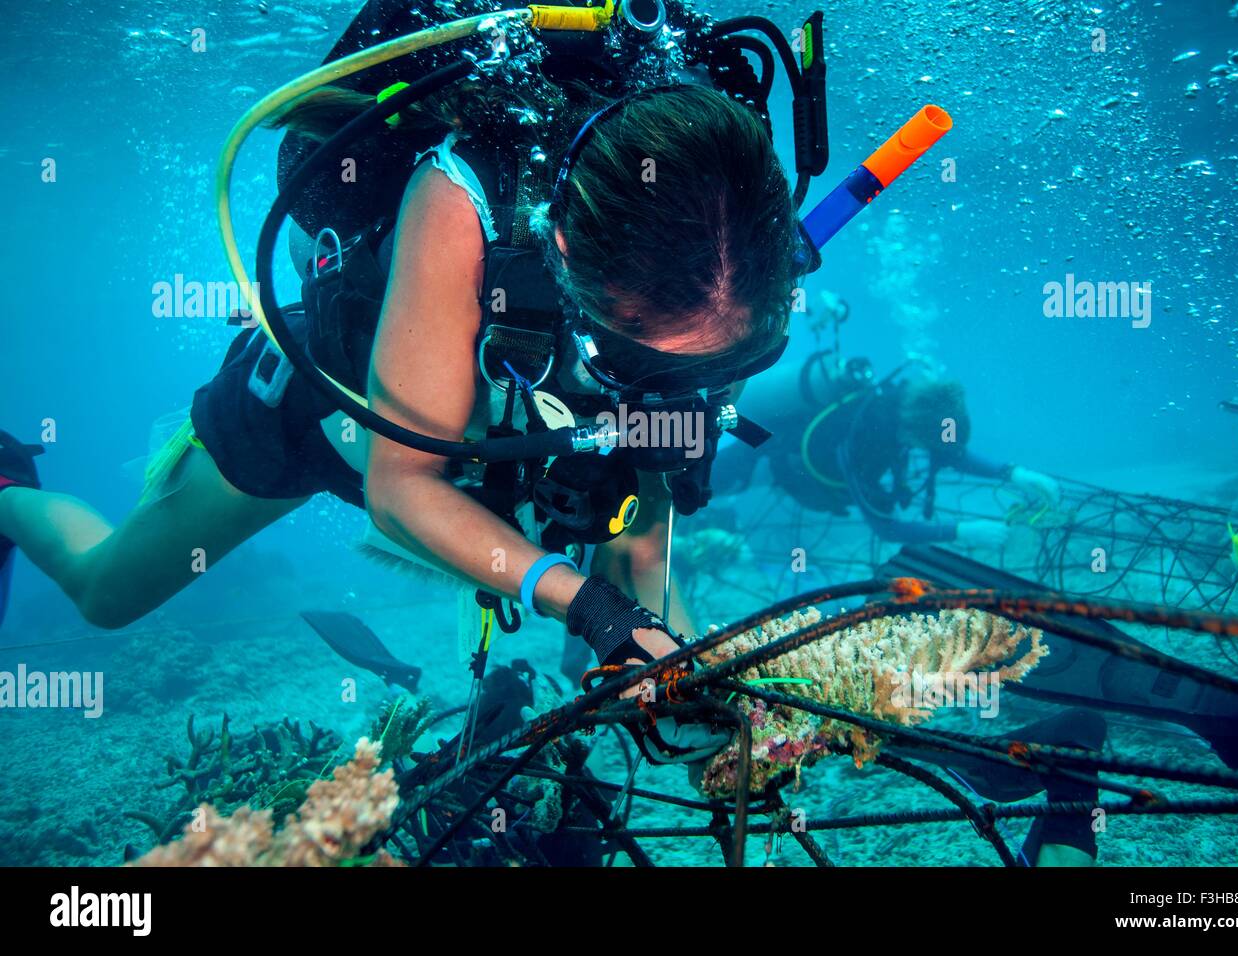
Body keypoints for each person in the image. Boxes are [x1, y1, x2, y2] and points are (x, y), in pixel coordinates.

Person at [0, 0, 813, 763]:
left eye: (724, 367)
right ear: (561, 252)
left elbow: (644, 559)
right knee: (107, 593)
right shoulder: (466, 199)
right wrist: (590, 607)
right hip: (340, 411)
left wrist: (729, 724)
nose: (673, 396)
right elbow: (401, 490)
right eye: (643, 364)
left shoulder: (728, 231)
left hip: (522, 424)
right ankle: (6, 486)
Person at [713, 348, 1061, 548]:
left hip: (799, 470)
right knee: (701, 482)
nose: (942, 455)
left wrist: (1014, 473)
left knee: (706, 484)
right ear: (918, 435)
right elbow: (886, 528)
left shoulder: (905, 417)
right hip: (767, 461)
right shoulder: (860, 434)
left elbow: (951, 453)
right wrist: (961, 532)